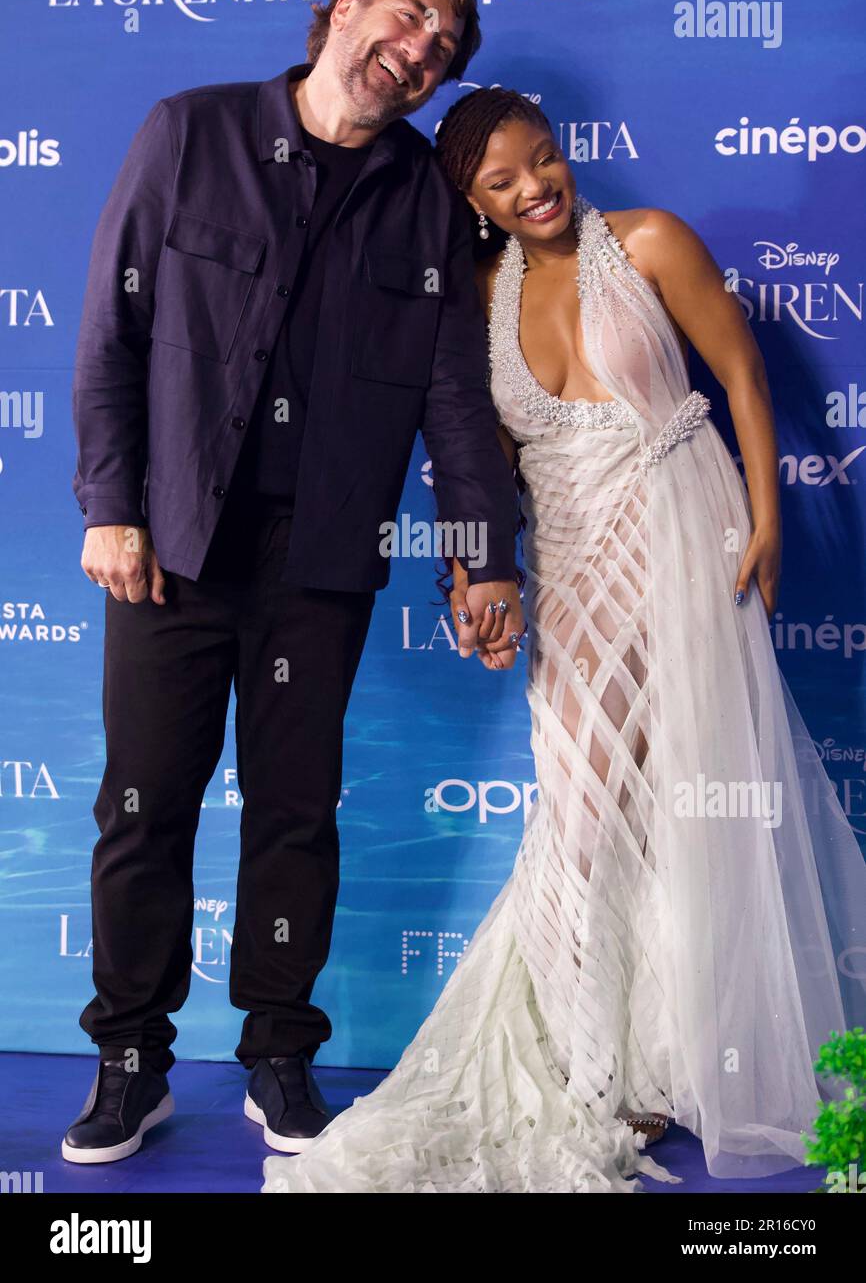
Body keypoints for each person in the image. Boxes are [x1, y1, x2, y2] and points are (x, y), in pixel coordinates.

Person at [260, 89, 866, 1193]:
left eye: (543, 160)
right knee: (583, 813)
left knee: (693, 798)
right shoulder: (477, 301)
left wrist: (770, 522)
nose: (536, 186)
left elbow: (738, 372)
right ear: (471, 201)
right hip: (577, 566)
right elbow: (470, 461)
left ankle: (676, 1064)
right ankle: (591, 1062)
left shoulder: (645, 241)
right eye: (503, 181)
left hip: (690, 533)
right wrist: (466, 574)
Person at [62, 0, 526, 1166]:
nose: (423, 49)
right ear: (342, 8)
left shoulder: (425, 199)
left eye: (447, 46)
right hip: (172, 542)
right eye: (411, 15)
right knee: (144, 805)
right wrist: (111, 502)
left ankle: (278, 1051)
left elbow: (454, 400)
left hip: (321, 558)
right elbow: (111, 326)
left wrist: (481, 558)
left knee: (295, 813)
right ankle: (128, 1059)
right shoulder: (191, 133)